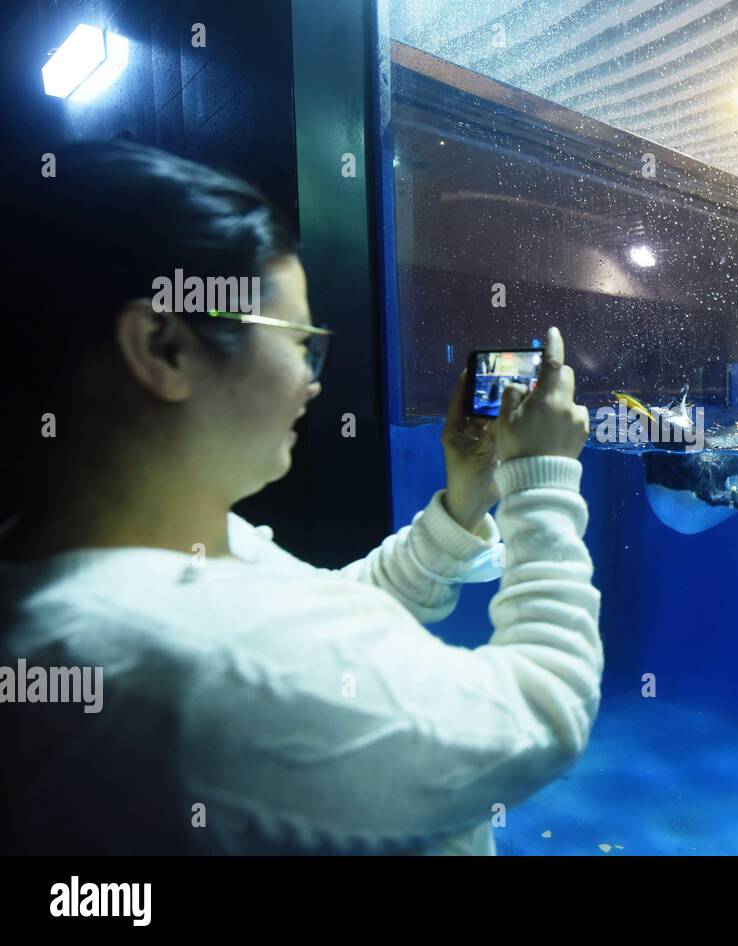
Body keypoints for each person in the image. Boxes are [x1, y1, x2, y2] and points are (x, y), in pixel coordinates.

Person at [0, 141, 600, 855]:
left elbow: (326, 616)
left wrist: (462, 502)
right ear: (164, 347)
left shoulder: (99, 570)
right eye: (301, 345)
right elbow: (543, 712)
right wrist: (542, 477)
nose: (312, 382)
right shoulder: (201, 661)